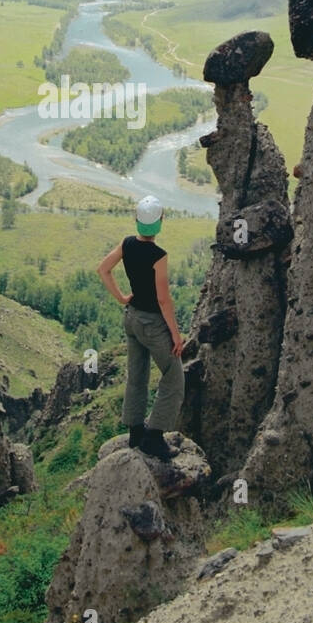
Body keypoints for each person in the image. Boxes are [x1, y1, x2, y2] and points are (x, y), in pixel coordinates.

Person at [96, 194, 184, 459]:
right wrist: (176, 335)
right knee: (174, 378)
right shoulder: (159, 256)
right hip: (152, 323)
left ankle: (135, 432)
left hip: (131, 318)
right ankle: (154, 436)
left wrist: (122, 298)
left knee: (137, 374)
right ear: (160, 222)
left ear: (137, 221)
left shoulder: (127, 244)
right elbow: (162, 299)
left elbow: (103, 269)